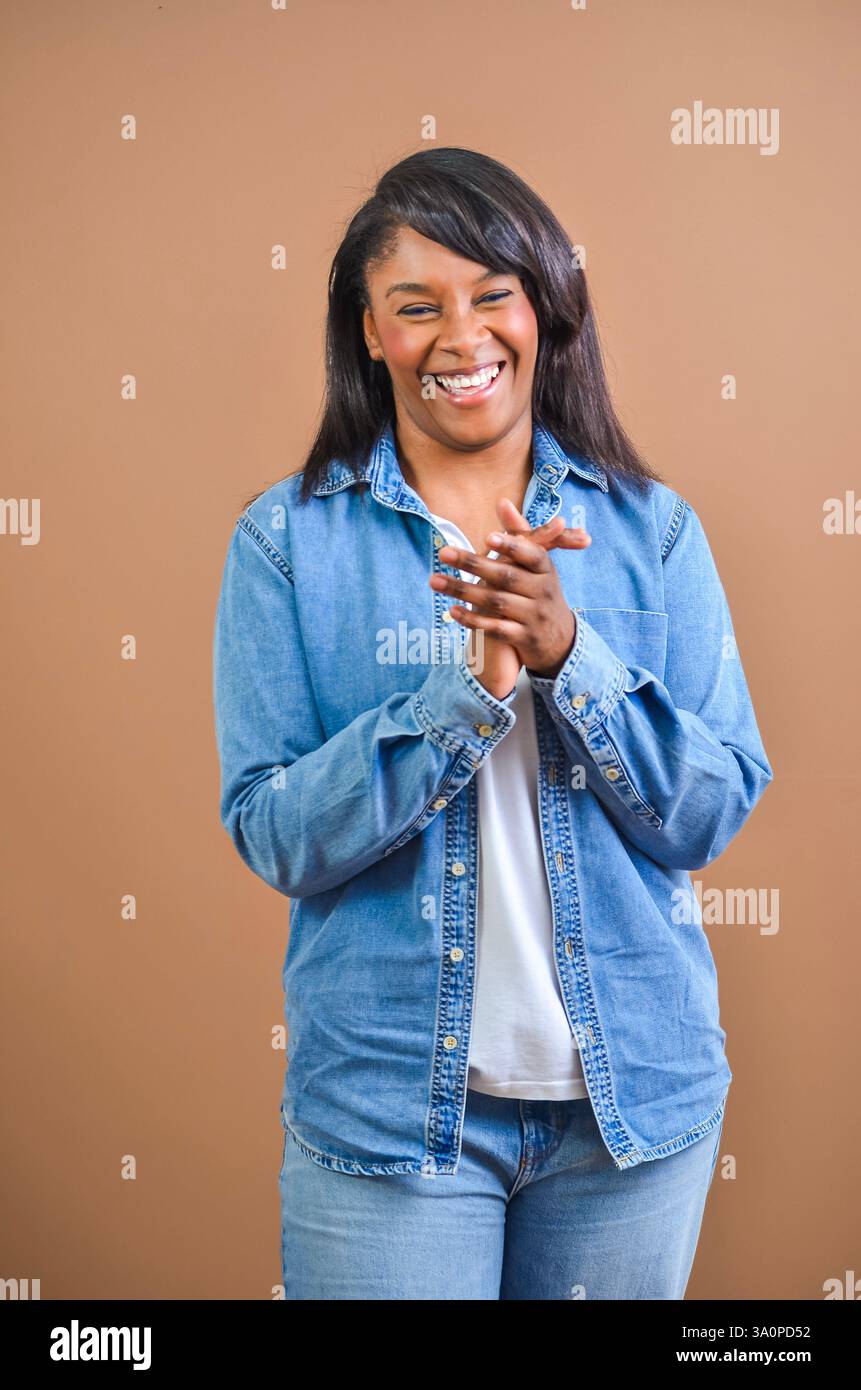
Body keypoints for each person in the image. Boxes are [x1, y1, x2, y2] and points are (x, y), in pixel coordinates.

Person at [212, 146, 773, 1300]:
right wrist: (465, 698)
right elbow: (275, 834)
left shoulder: (652, 531)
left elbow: (712, 806)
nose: (461, 338)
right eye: (416, 307)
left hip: (631, 1118)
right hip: (388, 1117)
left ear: (544, 309)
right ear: (370, 333)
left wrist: (570, 656)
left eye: (493, 295)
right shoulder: (284, 543)